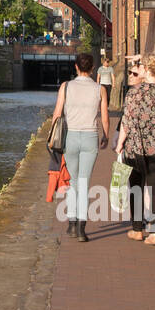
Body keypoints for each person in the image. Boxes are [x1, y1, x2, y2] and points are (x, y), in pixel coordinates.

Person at [49, 52, 111, 242]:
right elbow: (105, 117)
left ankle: (72, 224)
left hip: (71, 138)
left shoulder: (66, 87)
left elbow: (57, 114)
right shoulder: (100, 89)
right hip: (90, 137)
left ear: (76, 67)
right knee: (84, 182)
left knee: (73, 181)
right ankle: (82, 229)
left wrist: (52, 138)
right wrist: (105, 136)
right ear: (93, 69)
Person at [114, 53, 155, 245]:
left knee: (137, 188)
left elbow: (127, 122)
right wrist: (146, 59)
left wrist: (119, 144)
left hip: (136, 149)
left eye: (141, 66)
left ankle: (137, 229)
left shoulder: (135, 93)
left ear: (146, 70)